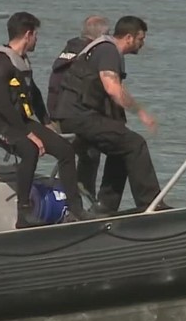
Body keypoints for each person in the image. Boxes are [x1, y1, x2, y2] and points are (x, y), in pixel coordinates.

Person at [0, 11, 87, 228]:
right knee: (30, 149)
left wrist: (46, 124)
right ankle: (23, 214)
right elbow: (3, 104)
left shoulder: (22, 61)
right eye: (36, 35)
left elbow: (33, 94)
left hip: (19, 121)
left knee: (66, 150)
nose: (37, 40)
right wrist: (30, 135)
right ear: (28, 34)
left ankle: (76, 209)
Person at [51, 15, 167, 214]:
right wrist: (141, 112)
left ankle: (105, 206)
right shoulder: (108, 50)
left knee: (121, 145)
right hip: (79, 117)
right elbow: (112, 88)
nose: (143, 43)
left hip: (74, 115)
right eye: (141, 38)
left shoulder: (104, 50)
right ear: (129, 38)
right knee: (135, 144)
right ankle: (150, 204)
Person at [46, 15, 116, 205]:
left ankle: (76, 193)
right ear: (102, 36)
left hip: (54, 116)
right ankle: (87, 197)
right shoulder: (90, 56)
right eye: (108, 36)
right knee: (96, 146)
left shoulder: (69, 50)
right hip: (68, 120)